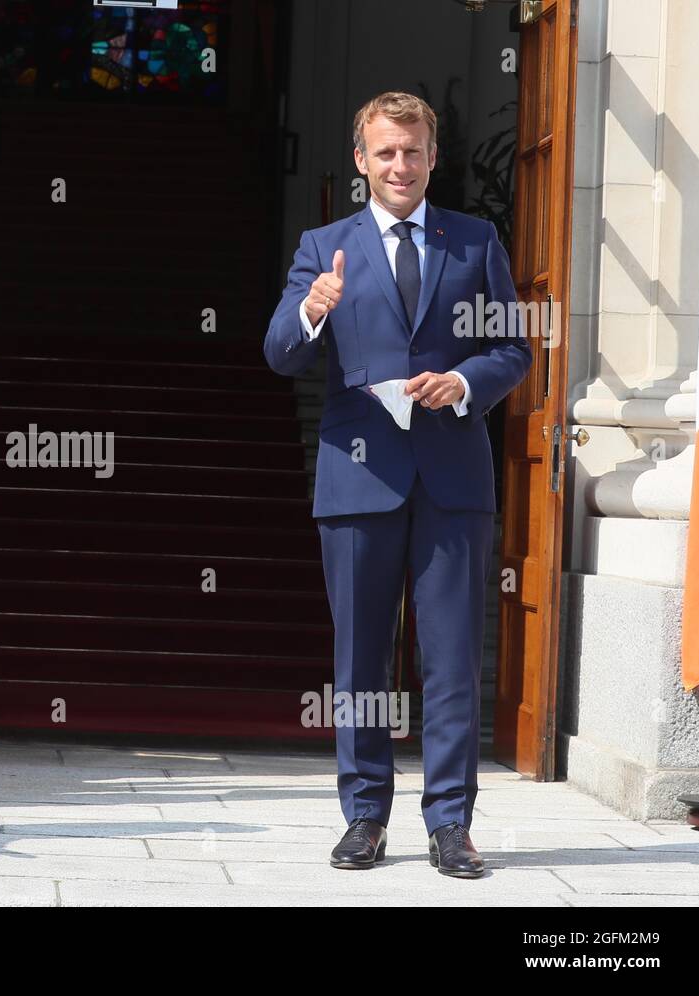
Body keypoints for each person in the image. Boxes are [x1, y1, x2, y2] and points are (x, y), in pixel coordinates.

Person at [264, 91, 532, 877]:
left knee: (451, 660)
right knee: (360, 661)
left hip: (453, 480)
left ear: (432, 157)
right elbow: (280, 354)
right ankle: (364, 818)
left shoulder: (475, 241)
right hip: (358, 479)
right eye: (385, 152)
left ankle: (451, 824)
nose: (400, 166)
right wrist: (312, 311)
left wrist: (463, 380)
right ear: (361, 160)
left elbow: (513, 350)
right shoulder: (324, 247)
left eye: (412, 152)